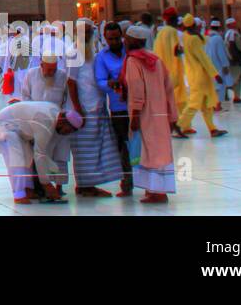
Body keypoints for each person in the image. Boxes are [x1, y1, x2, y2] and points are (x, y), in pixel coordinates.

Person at [121, 23, 180, 203]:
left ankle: (157, 192)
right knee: (160, 151)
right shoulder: (155, 58)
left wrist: (136, 116)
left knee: (149, 152)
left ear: (130, 41)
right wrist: (173, 115)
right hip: (161, 114)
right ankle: (155, 190)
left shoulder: (133, 61)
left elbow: (137, 90)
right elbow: (169, 89)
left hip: (145, 114)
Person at [0, 100, 81, 203]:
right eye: (68, 130)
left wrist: (50, 177)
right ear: (62, 121)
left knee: (28, 158)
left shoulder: (55, 116)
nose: (67, 133)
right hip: (5, 124)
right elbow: (40, 154)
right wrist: (46, 184)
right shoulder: (45, 121)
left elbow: (45, 154)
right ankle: (19, 195)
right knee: (17, 160)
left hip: (20, 130)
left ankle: (27, 190)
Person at [70, 20, 123, 197]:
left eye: (88, 32)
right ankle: (85, 185)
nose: (86, 36)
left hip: (98, 105)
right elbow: (71, 82)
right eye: (82, 32)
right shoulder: (73, 53)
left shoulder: (94, 51)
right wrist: (77, 108)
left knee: (96, 147)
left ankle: (89, 184)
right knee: (84, 149)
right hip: (83, 108)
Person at [94, 21, 133, 197]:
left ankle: (149, 182)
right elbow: (100, 82)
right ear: (105, 38)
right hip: (118, 107)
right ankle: (127, 181)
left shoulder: (131, 52)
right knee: (123, 146)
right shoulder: (102, 57)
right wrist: (110, 83)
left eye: (117, 38)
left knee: (141, 144)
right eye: (111, 39)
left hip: (138, 106)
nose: (115, 42)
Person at [178, 15, 226, 138]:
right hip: (199, 76)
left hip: (195, 74)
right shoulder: (194, 39)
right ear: (194, 26)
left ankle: (212, 129)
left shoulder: (186, 37)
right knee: (194, 104)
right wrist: (215, 74)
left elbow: (204, 40)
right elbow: (203, 58)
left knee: (207, 105)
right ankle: (178, 127)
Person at [152, 8, 186, 112]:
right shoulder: (172, 31)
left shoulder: (161, 32)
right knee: (177, 98)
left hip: (162, 70)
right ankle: (180, 123)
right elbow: (176, 51)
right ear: (173, 18)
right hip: (172, 70)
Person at [223, 17, 241, 103]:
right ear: (231, 24)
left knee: (231, 77)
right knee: (237, 78)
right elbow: (240, 46)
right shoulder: (234, 34)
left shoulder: (226, 34)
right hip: (235, 60)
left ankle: (225, 94)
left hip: (229, 59)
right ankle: (236, 97)